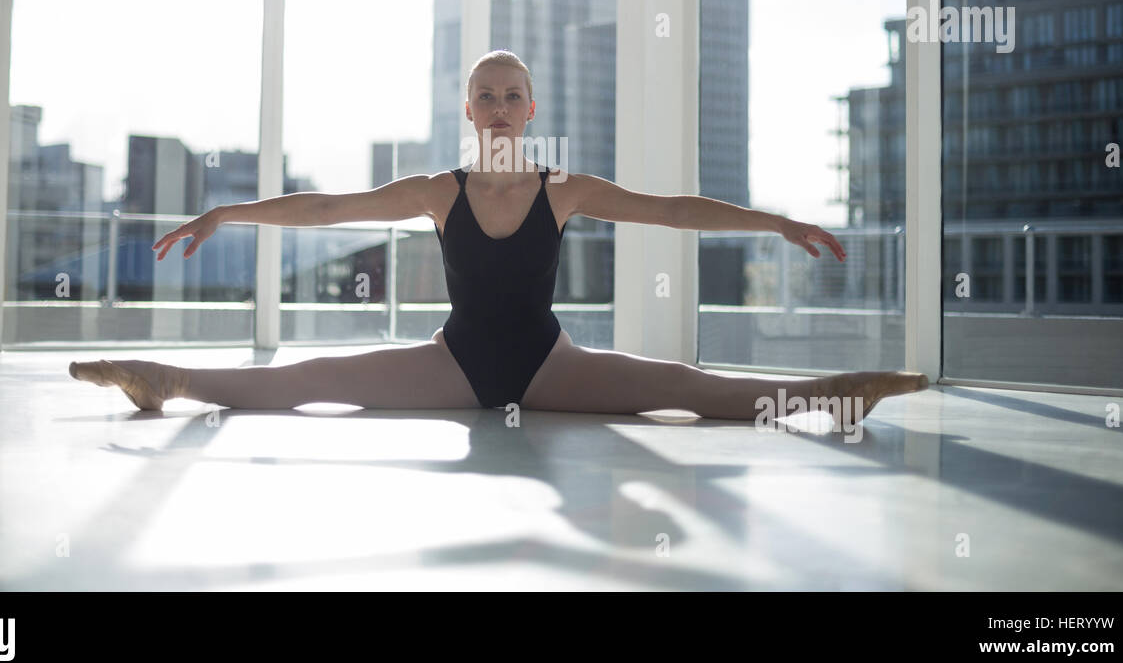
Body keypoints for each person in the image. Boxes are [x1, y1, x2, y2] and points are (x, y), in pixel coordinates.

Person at [71, 50, 929, 424]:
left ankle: (834, 394)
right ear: (470, 110)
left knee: (687, 389)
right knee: (305, 381)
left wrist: (772, 221)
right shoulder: (437, 191)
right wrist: (228, 213)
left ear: (530, 110)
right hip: (454, 362)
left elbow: (671, 210)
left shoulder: (567, 190)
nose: (499, 106)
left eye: (513, 93)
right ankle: (166, 380)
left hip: (552, 364)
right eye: (485, 93)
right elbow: (330, 209)